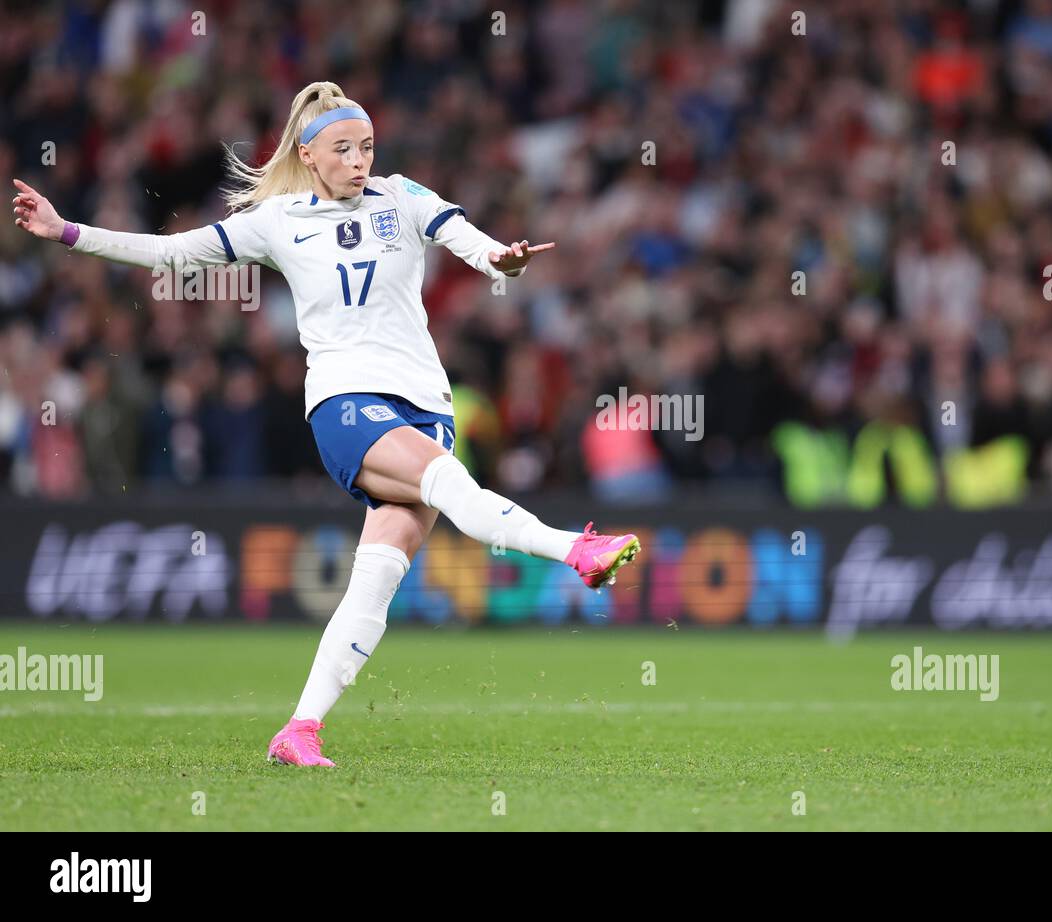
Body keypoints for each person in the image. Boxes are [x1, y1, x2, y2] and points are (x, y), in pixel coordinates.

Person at [12, 81, 641, 767]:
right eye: (343, 149)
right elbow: (172, 254)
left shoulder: (402, 197)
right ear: (309, 155)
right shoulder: (278, 221)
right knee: (452, 487)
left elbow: (472, 244)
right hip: (344, 403)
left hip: (425, 405)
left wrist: (502, 259)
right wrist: (68, 231)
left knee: (374, 584)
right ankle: (575, 552)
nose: (358, 160)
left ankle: (300, 730)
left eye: (366, 146)